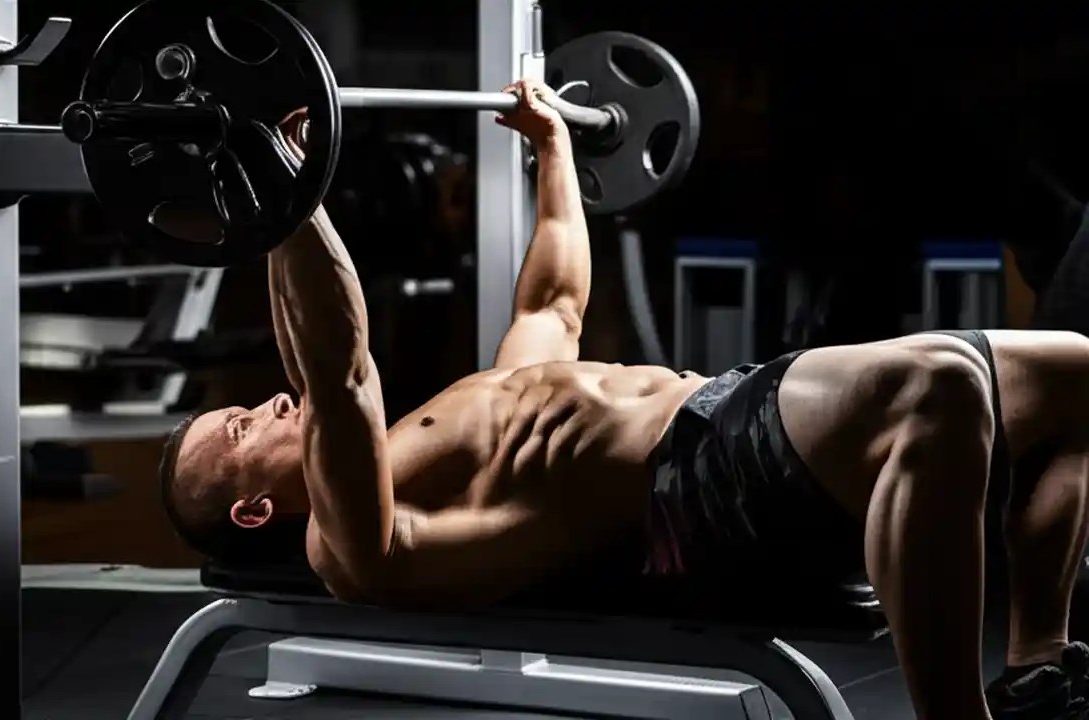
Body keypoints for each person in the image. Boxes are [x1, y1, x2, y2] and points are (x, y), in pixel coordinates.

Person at [160, 79, 1089, 720]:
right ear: (252, 509)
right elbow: (337, 374)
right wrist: (288, 195)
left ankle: (1035, 672)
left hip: (732, 416)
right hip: (700, 486)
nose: (266, 404)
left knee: (1079, 377)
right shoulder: (353, 543)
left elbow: (552, 306)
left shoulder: (444, 430)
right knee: (942, 386)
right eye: (238, 428)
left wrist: (555, 148)